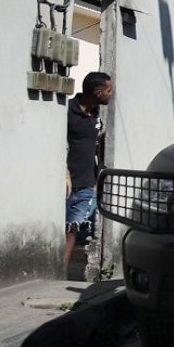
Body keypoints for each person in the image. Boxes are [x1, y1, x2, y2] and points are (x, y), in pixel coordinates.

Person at [66, 72, 112, 273]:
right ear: (98, 92)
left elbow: (98, 144)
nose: (111, 94)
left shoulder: (98, 115)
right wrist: (64, 171)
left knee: (72, 230)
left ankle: (60, 273)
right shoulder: (66, 111)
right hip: (65, 182)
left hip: (86, 183)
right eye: (109, 90)